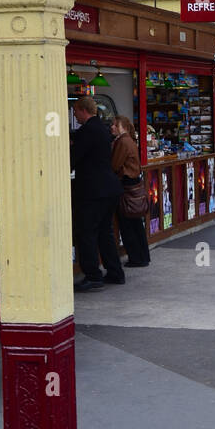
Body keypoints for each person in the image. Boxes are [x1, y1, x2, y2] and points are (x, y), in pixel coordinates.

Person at [70, 95, 125, 291]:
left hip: (92, 190)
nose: (74, 115)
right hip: (109, 188)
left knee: (86, 232)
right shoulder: (103, 128)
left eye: (75, 111)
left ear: (83, 110)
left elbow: (73, 159)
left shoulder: (86, 131)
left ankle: (93, 275)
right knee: (105, 232)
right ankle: (115, 272)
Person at [111, 116, 150, 267]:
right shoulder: (129, 141)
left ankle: (136, 257)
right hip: (134, 185)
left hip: (126, 187)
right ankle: (142, 256)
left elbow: (114, 165)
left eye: (115, 125)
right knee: (136, 223)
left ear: (123, 127)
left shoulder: (122, 142)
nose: (112, 127)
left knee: (127, 224)